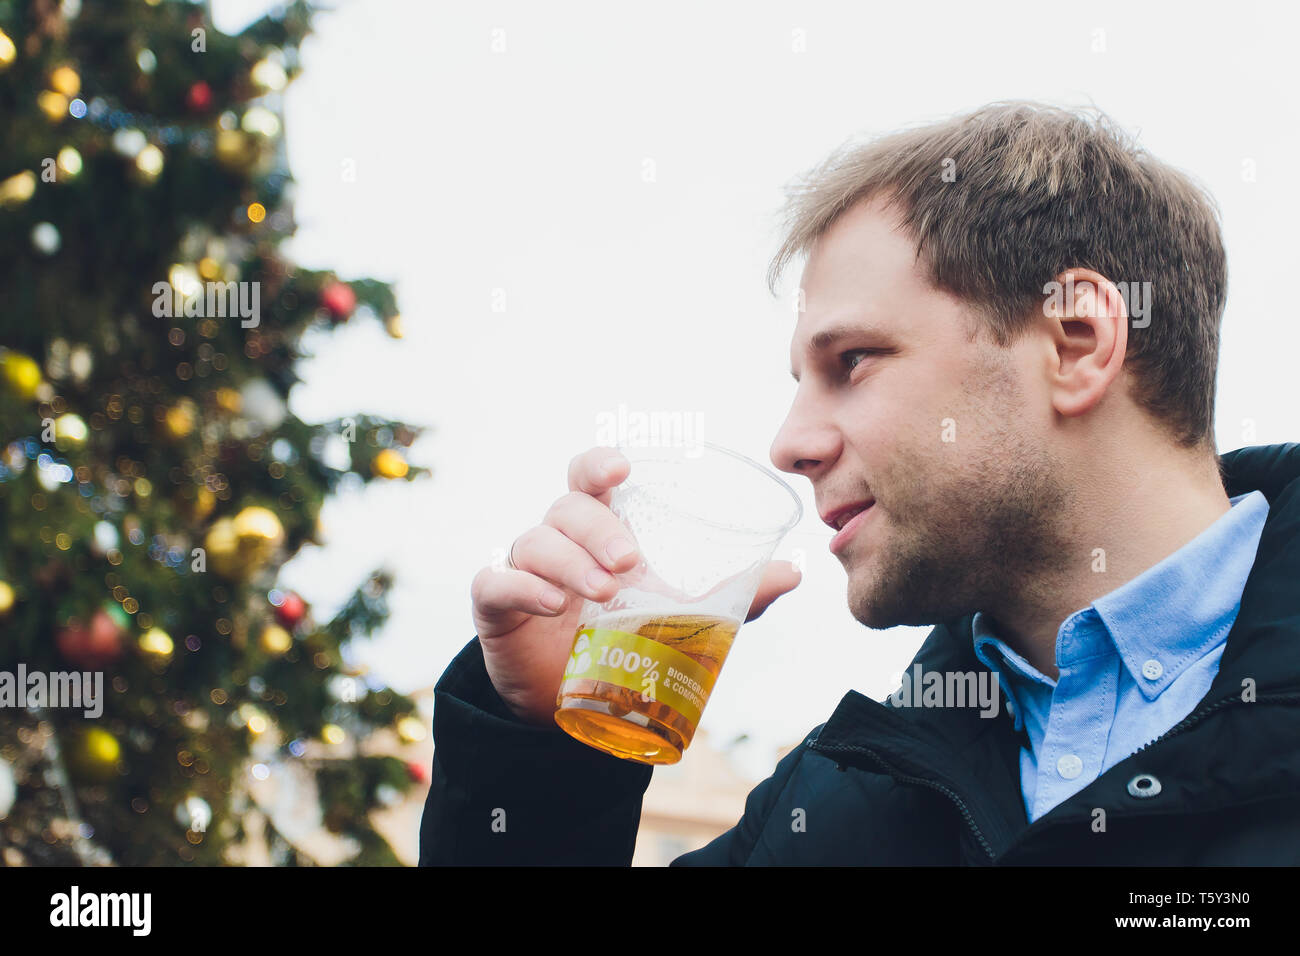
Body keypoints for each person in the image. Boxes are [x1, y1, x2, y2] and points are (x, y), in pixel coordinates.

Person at [419, 101, 1300, 865]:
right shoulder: (825, 817)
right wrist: (539, 757)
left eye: (853, 361)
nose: (790, 444)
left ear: (1075, 343)